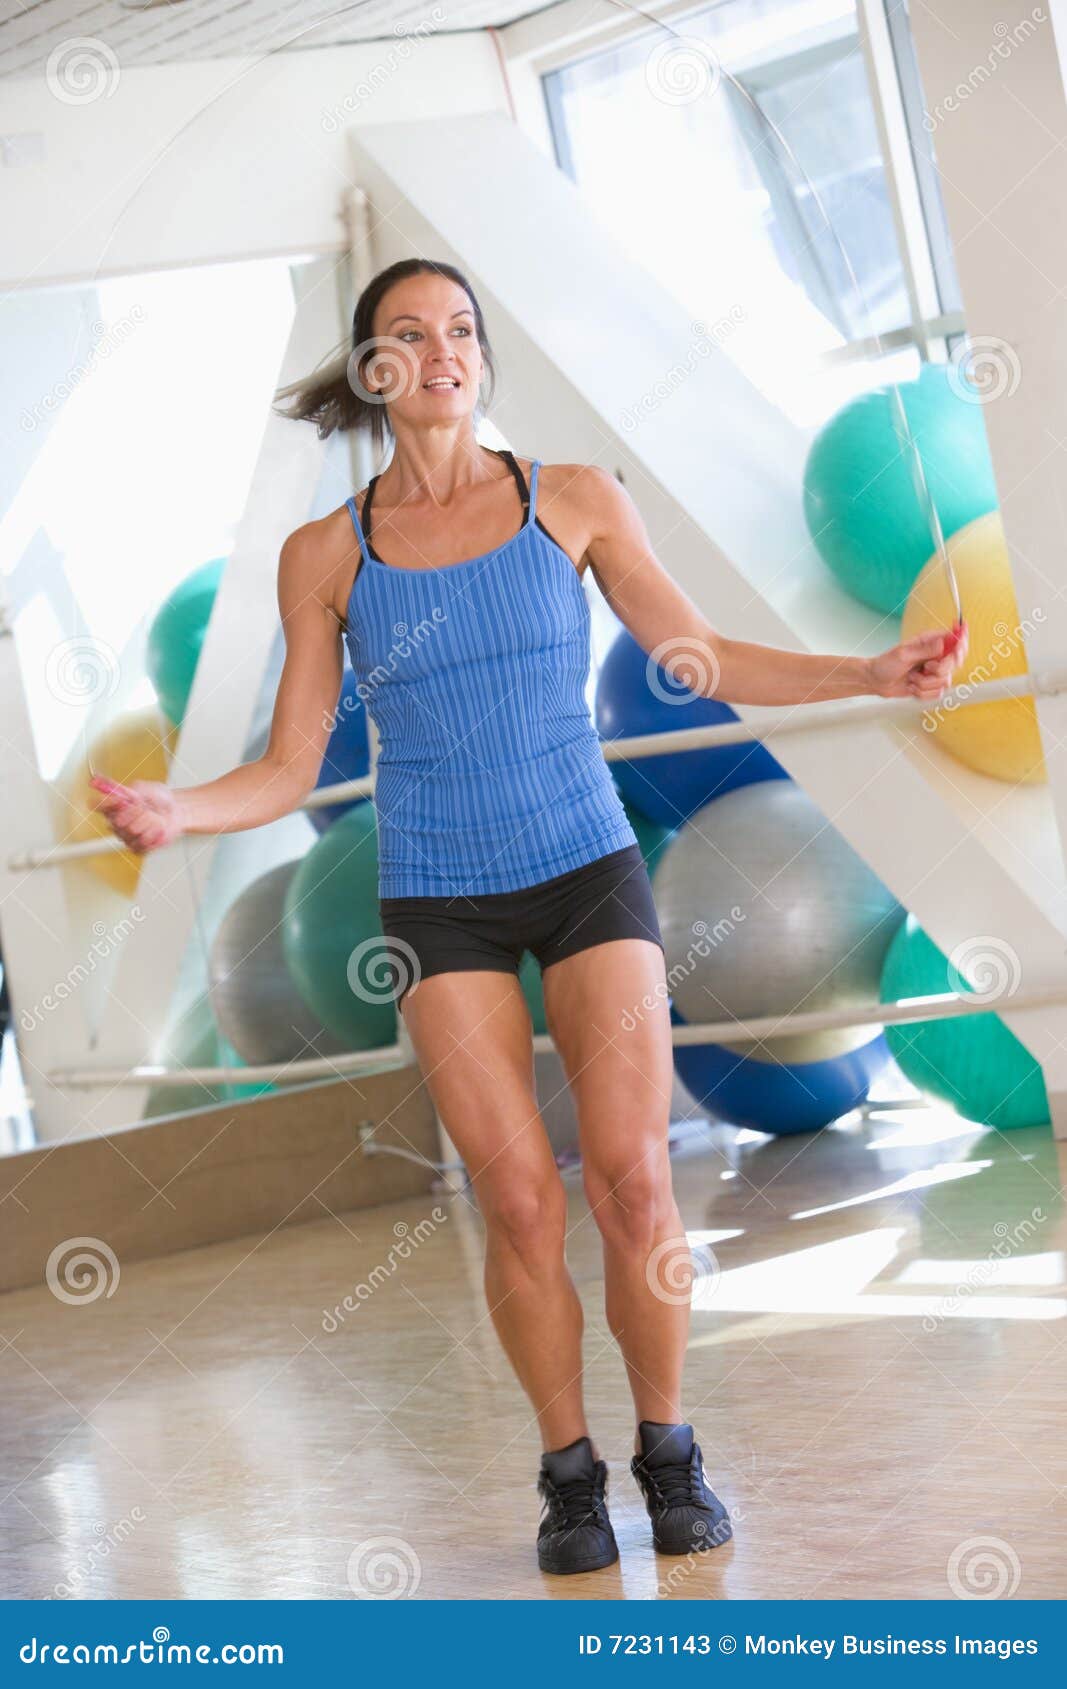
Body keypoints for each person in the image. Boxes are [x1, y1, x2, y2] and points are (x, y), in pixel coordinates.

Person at [91, 258, 967, 1576]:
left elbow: (701, 658)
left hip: (585, 869)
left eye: (460, 331)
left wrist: (868, 671)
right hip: (439, 893)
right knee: (514, 1199)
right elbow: (289, 764)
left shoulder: (573, 500)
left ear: (482, 358)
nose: (440, 352)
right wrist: (179, 811)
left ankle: (668, 1449)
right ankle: (569, 1471)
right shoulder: (328, 554)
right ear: (375, 372)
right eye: (408, 336)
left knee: (631, 1179)